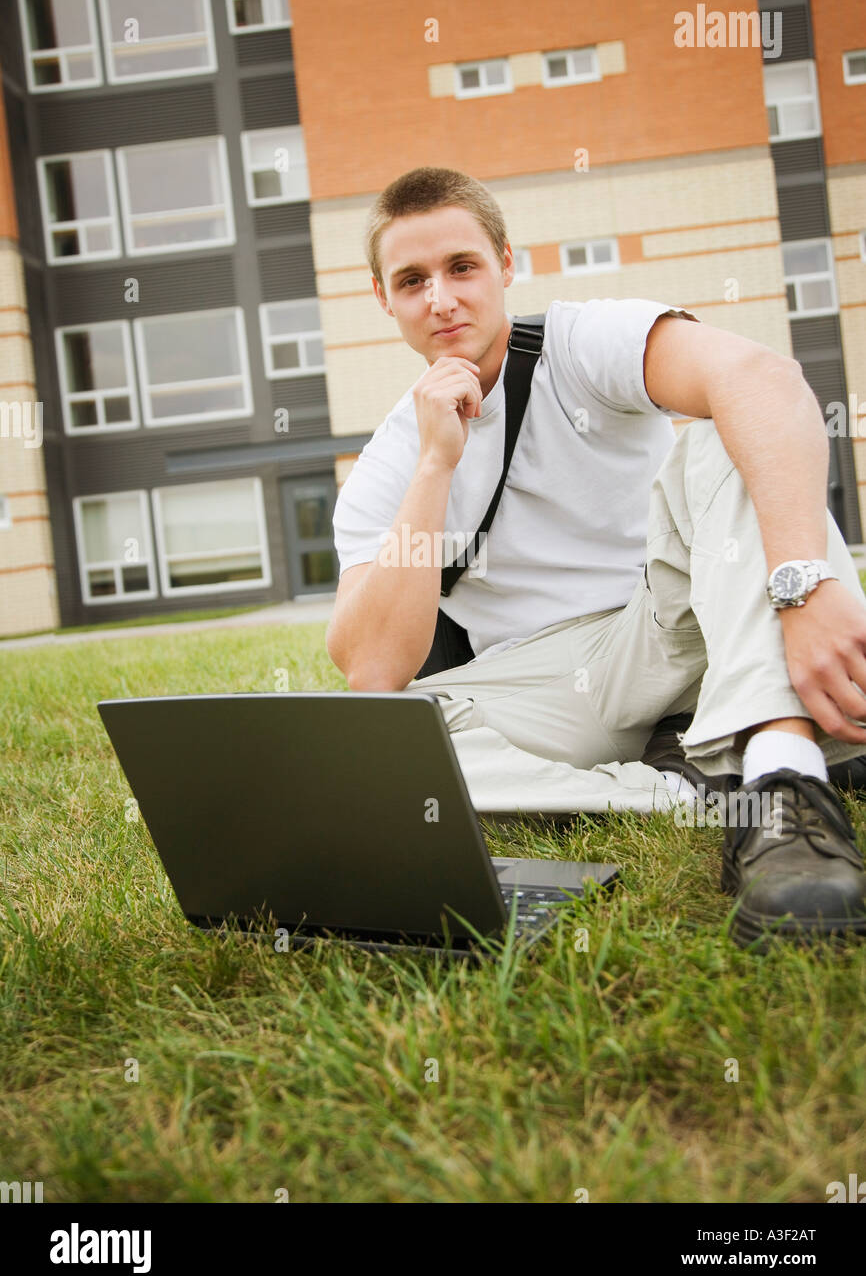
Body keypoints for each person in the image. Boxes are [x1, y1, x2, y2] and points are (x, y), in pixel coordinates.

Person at [325, 166, 866, 946]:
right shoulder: (392, 458)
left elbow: (761, 378)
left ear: (506, 265)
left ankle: (785, 781)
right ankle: (697, 786)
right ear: (385, 300)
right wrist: (435, 465)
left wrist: (803, 583)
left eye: (462, 268)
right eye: (412, 280)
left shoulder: (578, 343)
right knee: (365, 750)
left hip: (669, 620)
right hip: (549, 684)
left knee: (725, 435)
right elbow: (373, 670)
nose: (440, 298)